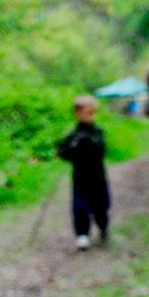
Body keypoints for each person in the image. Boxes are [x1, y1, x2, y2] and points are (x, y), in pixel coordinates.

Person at [57, 95, 110, 250]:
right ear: (77, 113)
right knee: (80, 206)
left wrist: (92, 143)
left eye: (92, 112)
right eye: (87, 112)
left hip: (98, 178)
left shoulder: (98, 132)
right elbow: (63, 153)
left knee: (101, 207)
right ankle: (82, 234)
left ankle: (103, 226)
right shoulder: (72, 134)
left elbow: (102, 150)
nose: (90, 115)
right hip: (80, 178)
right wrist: (73, 147)